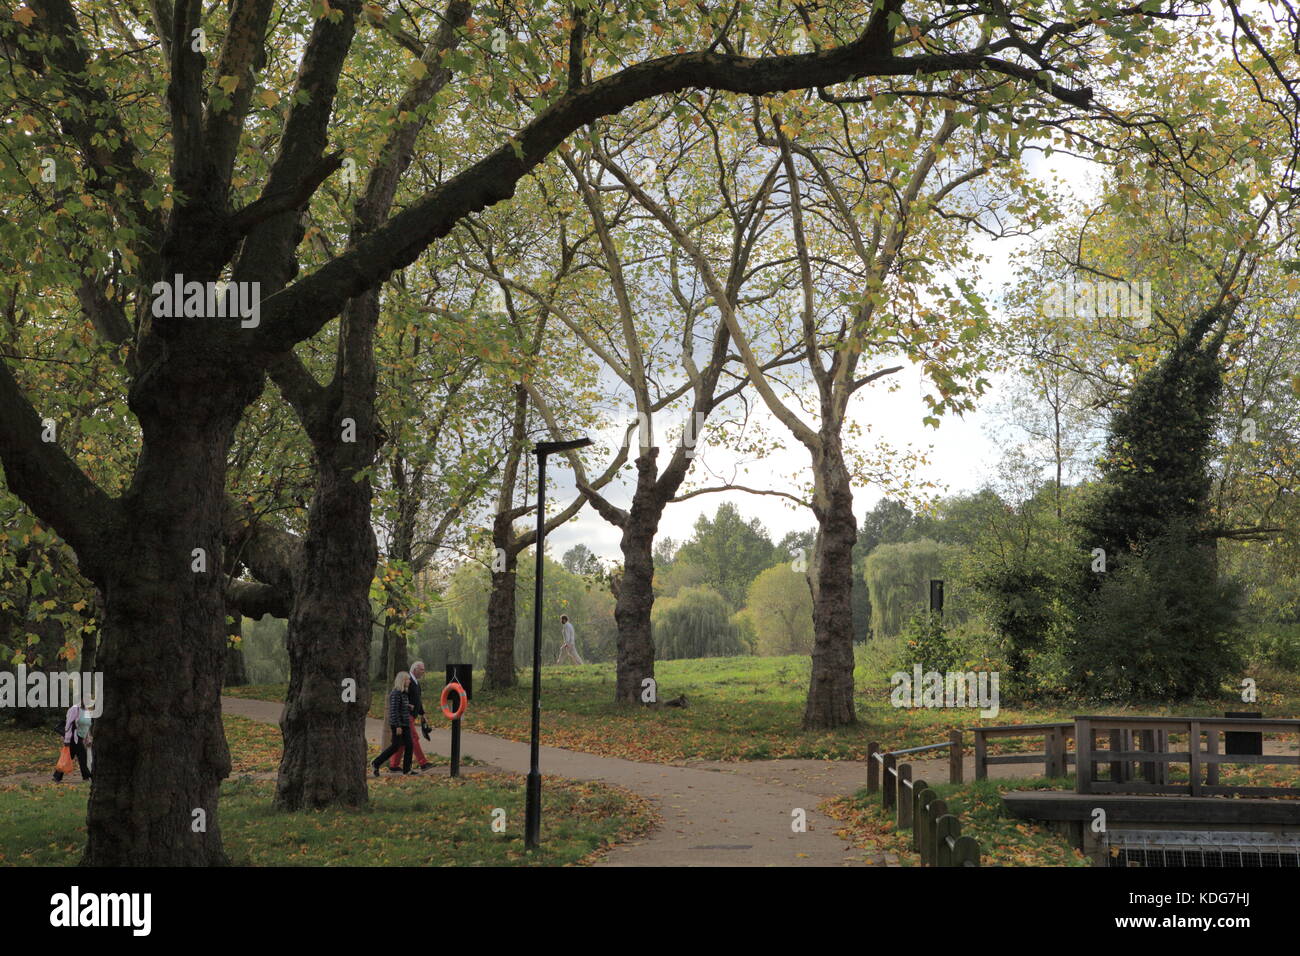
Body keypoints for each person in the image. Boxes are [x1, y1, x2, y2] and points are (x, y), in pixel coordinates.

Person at [389, 660, 433, 773]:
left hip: (411, 716)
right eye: (421, 669)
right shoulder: (408, 680)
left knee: (403, 742)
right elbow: (399, 694)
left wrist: (422, 714)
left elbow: (418, 700)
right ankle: (423, 763)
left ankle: (394, 765)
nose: (423, 672)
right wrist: (407, 706)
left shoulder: (416, 682)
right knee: (413, 738)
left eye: (424, 669)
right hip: (406, 715)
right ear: (415, 669)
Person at [371, 672, 413, 776]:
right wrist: (398, 726)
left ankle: (407, 770)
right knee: (395, 746)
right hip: (398, 725)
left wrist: (408, 707)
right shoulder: (395, 693)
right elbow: (394, 711)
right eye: (408, 679)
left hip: (405, 724)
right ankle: (376, 763)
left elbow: (400, 707)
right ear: (402, 681)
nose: (409, 681)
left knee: (409, 745)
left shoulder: (404, 693)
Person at [52, 698, 92, 783]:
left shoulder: (87, 711)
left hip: (80, 737)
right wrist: (67, 739)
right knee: (82, 756)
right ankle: (86, 776)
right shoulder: (74, 709)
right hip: (73, 737)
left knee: (69, 757)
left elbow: (87, 726)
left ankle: (57, 776)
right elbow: (68, 724)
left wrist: (88, 739)